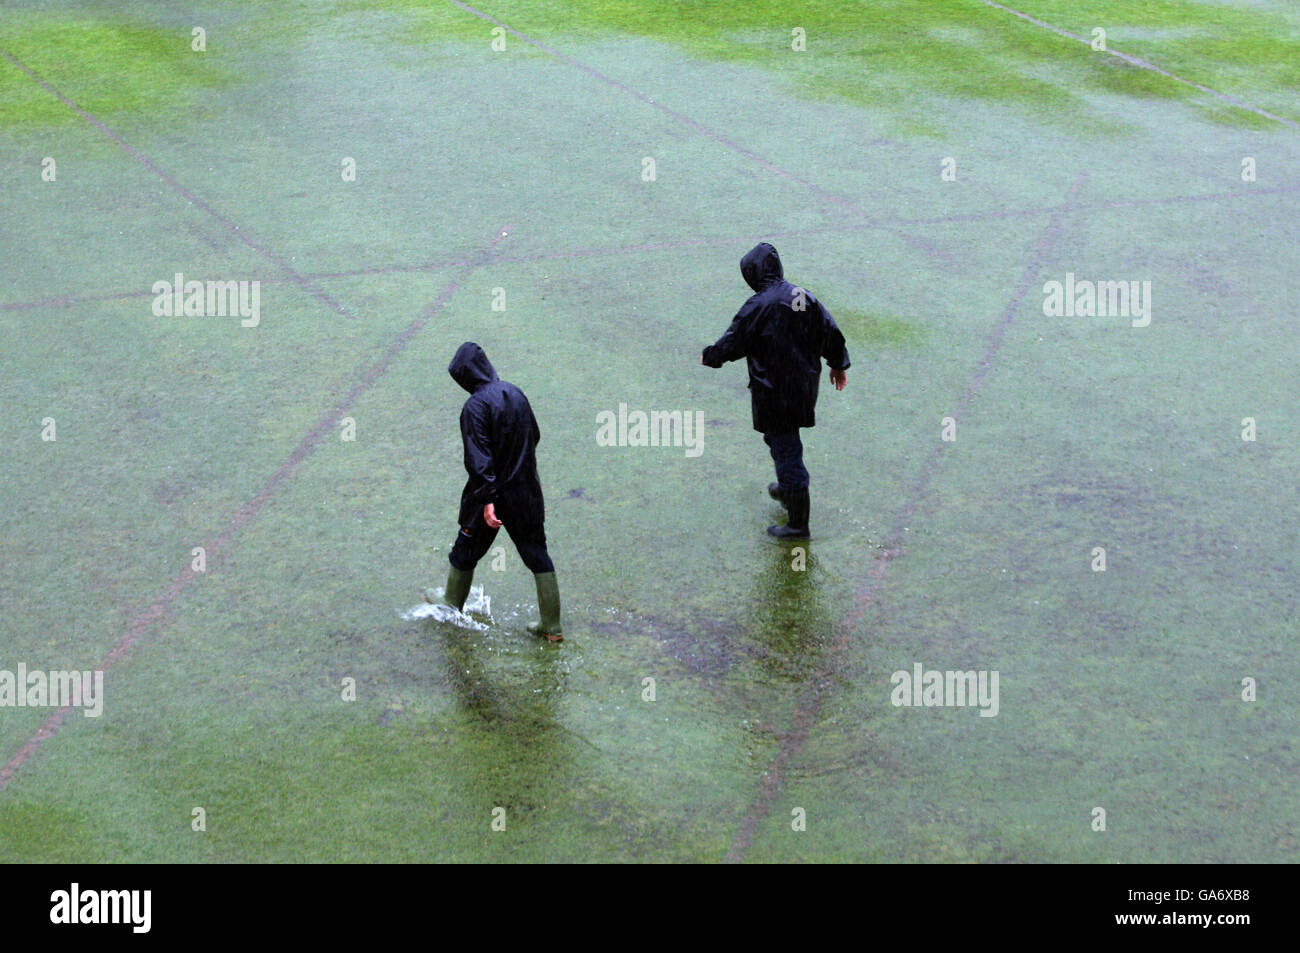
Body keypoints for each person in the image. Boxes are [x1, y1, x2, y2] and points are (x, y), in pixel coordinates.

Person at [701, 242, 850, 539]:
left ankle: (798, 523)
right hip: (803, 387)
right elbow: (829, 331)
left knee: (786, 450)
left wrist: (711, 356)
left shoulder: (758, 305)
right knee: (781, 440)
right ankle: (786, 489)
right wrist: (838, 363)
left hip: (773, 391)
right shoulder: (803, 296)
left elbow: (735, 340)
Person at [425, 342, 562, 641]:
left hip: (491, 494)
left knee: (465, 550)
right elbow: (534, 436)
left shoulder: (475, 406)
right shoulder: (515, 392)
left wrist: (488, 499)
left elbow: (479, 457)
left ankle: (451, 602)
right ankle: (551, 626)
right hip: (526, 490)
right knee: (537, 553)